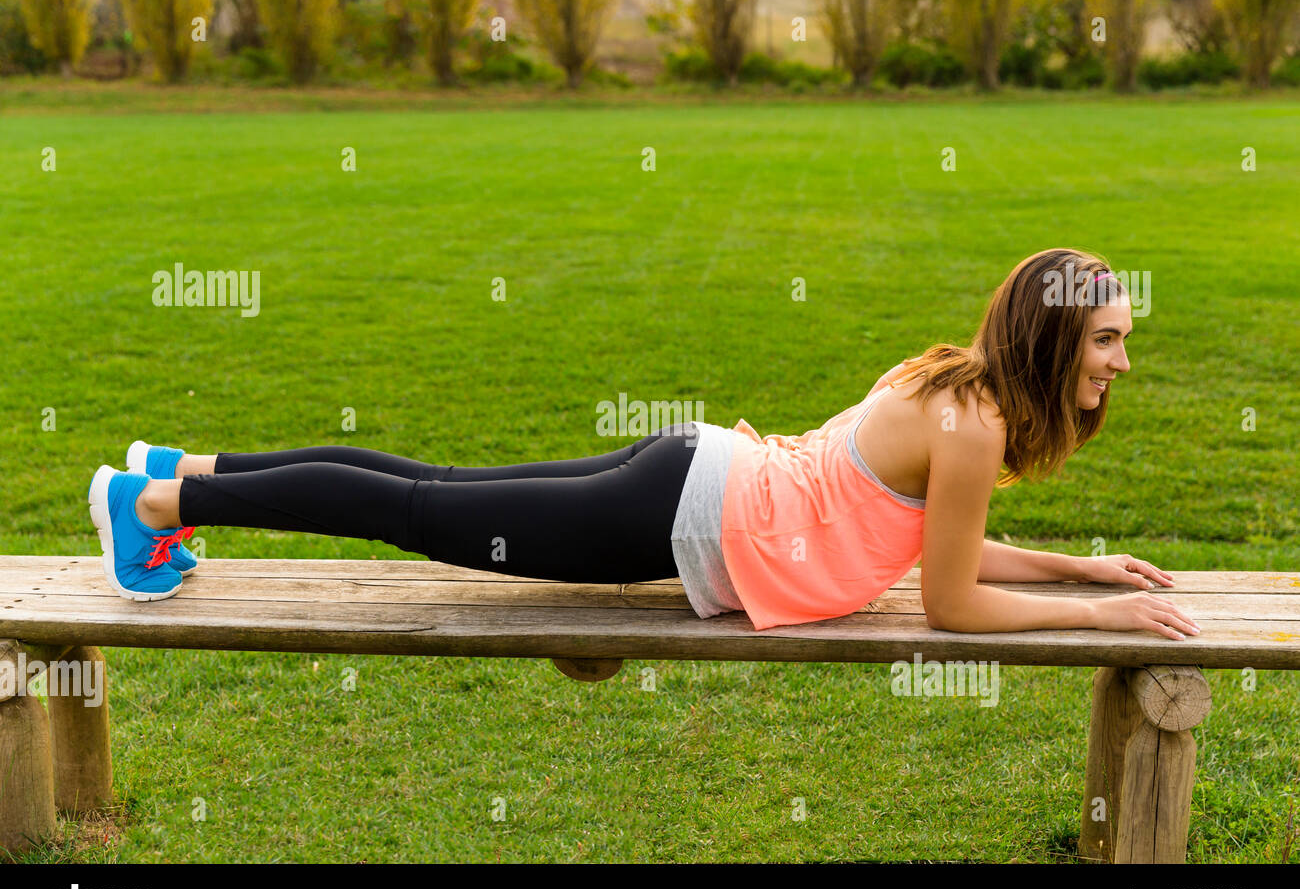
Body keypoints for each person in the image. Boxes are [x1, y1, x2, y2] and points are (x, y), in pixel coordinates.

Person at [87, 247, 1202, 640]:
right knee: (418, 508)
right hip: (685, 514)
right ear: (1056, 334)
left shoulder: (956, 387)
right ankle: (155, 509)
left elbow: (936, 552)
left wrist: (1073, 564)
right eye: (1106, 338)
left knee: (428, 486)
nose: (1117, 361)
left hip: (694, 474)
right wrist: (1100, 612)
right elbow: (950, 600)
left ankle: (174, 471)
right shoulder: (976, 424)